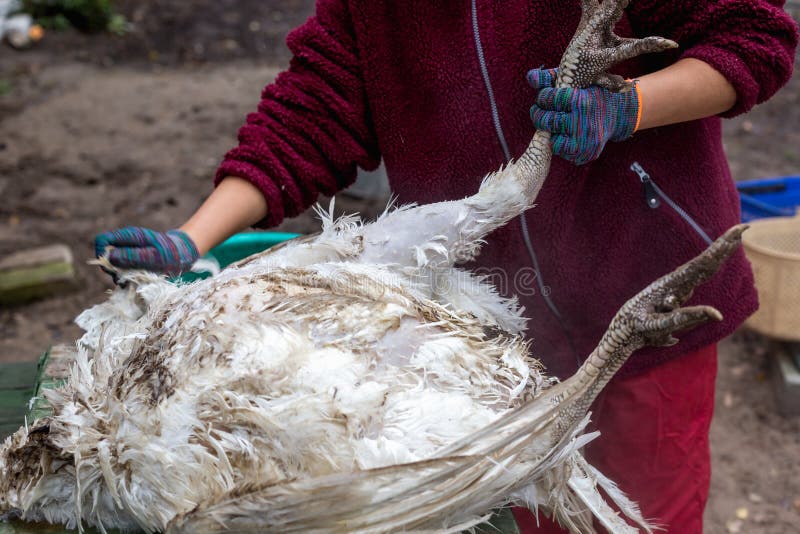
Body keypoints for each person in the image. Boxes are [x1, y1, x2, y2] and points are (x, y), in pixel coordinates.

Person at [94, 1, 798, 531]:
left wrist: (629, 105)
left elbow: (753, 37)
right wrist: (192, 241)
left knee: (635, 516)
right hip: (483, 335)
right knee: (513, 513)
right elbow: (310, 114)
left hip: (643, 305)